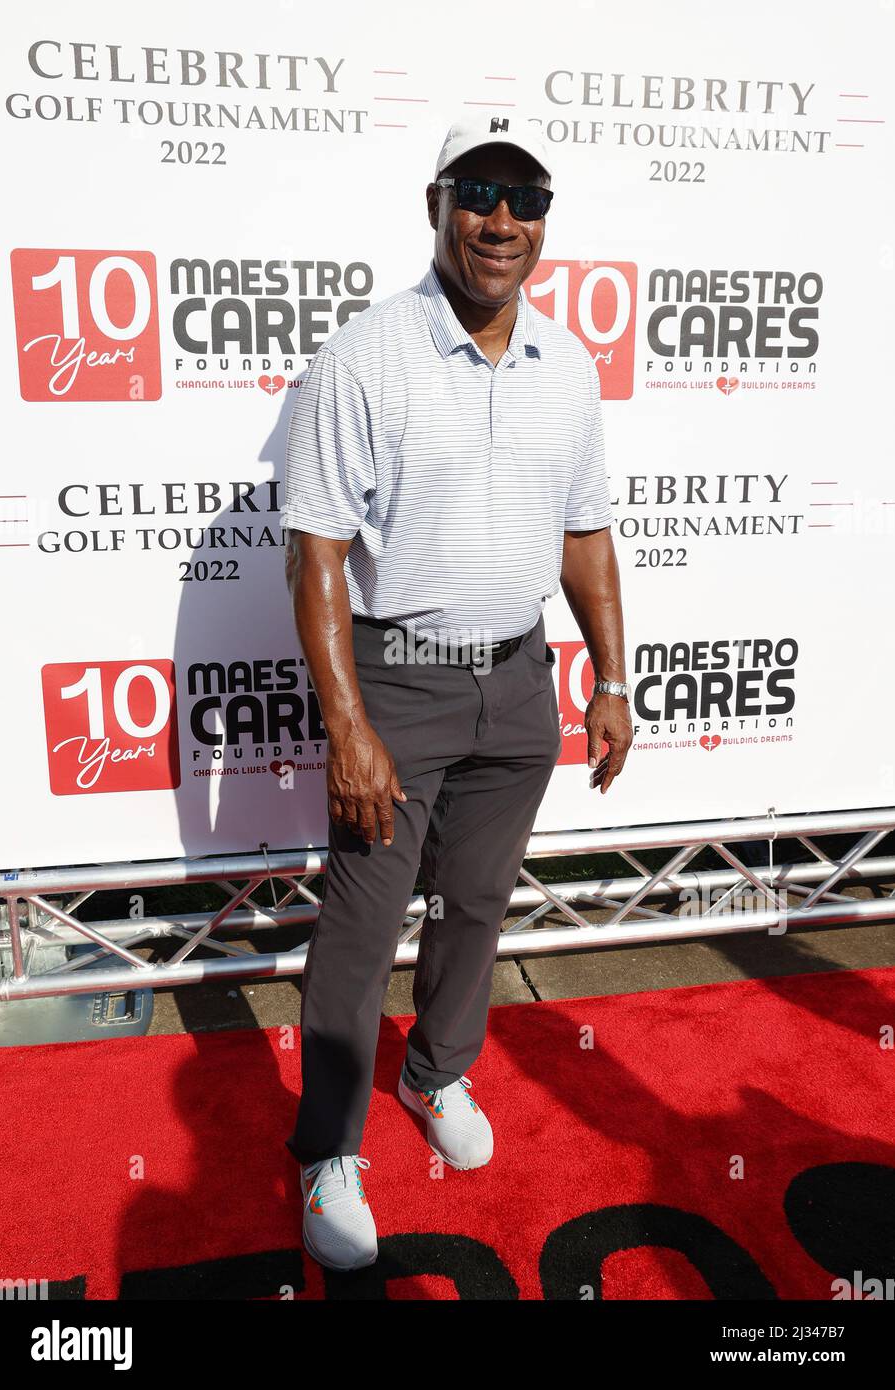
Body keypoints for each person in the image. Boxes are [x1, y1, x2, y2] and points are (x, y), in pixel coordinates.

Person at [282, 112, 633, 1272]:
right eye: (478, 192)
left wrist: (611, 675)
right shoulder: (361, 356)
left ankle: (436, 1073)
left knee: (478, 900)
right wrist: (347, 724)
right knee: (362, 919)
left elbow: (585, 533)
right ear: (434, 202)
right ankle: (328, 1147)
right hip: (397, 682)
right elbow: (317, 551)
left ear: (543, 224)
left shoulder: (567, 364)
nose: (500, 221)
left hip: (518, 679)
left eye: (524, 200)